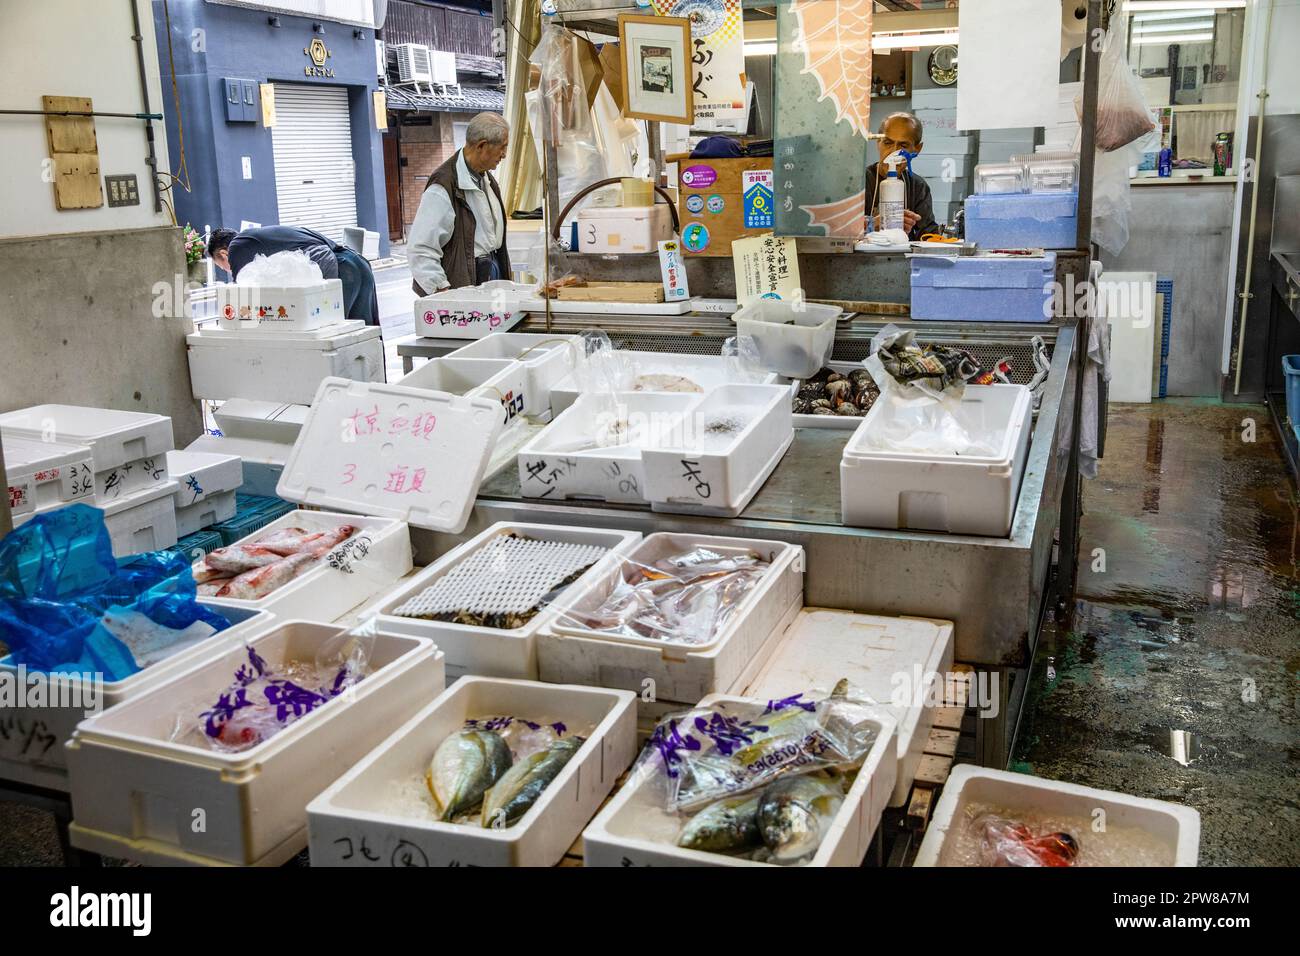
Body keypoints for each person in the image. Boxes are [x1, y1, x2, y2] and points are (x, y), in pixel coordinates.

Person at [408, 112, 511, 296]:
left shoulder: (486, 178)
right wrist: (443, 290)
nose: (504, 154)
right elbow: (421, 248)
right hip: (467, 281)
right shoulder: (444, 185)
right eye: (502, 147)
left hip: (492, 274)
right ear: (482, 146)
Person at [207, 224, 379, 326]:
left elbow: (244, 300)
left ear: (224, 254)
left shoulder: (236, 248)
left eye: (223, 267)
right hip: (356, 262)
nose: (228, 270)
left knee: (345, 336)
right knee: (367, 332)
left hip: (343, 271)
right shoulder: (254, 240)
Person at [866, 111, 939, 241]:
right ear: (878, 142)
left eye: (903, 145)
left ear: (917, 149)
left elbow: (928, 235)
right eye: (888, 143)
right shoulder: (860, 182)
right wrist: (872, 224)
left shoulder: (918, 187)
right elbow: (840, 230)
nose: (894, 152)